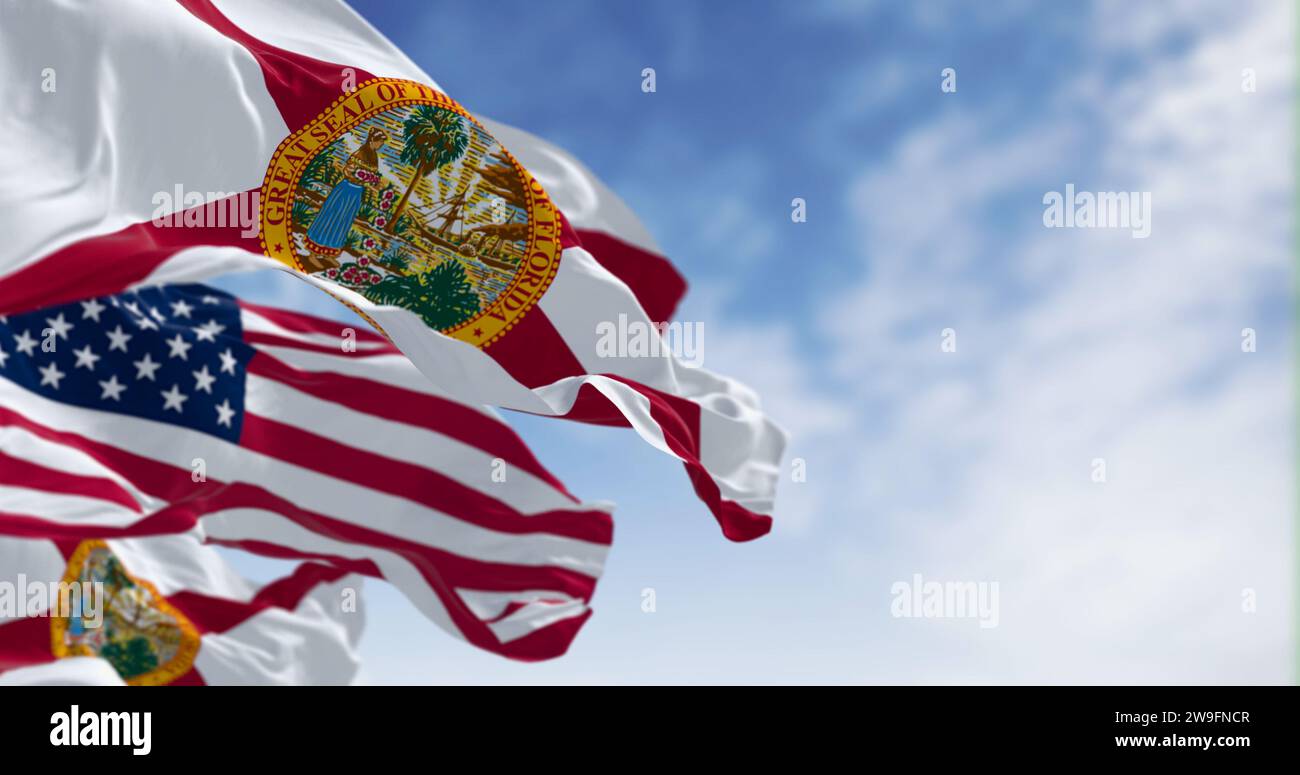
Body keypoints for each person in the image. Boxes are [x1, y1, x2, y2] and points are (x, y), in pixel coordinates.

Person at [302, 127, 388, 272]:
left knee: (343, 222)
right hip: (346, 189)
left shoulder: (374, 157)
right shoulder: (360, 153)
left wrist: (374, 182)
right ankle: (313, 253)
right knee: (331, 217)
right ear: (373, 140)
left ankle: (329, 252)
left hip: (356, 193)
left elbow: (372, 175)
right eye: (380, 142)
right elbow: (348, 170)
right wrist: (363, 178)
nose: (381, 145)